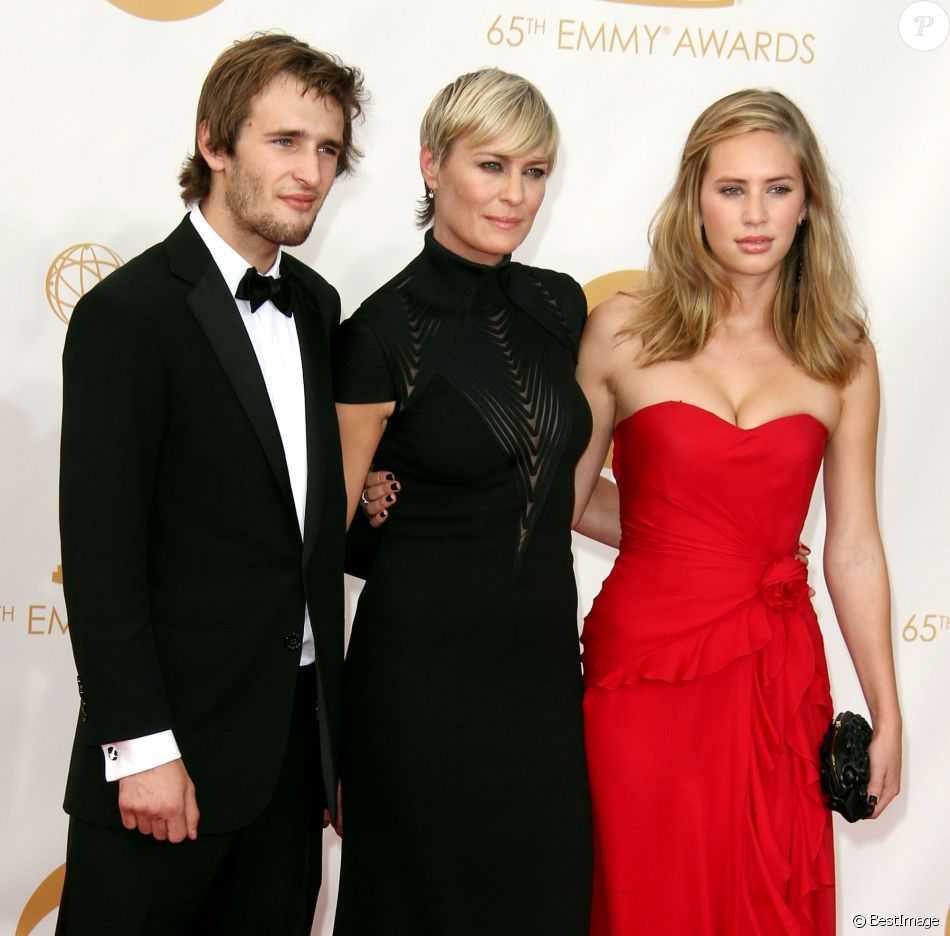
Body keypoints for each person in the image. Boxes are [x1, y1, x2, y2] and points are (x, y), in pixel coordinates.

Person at [56, 34, 365, 935]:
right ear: (214, 144)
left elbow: (294, 526)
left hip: (286, 772)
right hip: (166, 769)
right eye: (286, 141)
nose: (311, 171)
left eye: (329, 150)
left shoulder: (316, 305)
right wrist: (142, 749)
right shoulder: (128, 316)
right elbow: (102, 556)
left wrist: (329, 746)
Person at [573, 89, 902, 934]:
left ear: (808, 202)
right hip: (640, 671)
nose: (755, 215)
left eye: (778, 189)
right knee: (645, 900)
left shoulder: (842, 355)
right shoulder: (621, 330)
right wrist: (668, 537)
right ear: (694, 200)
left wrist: (887, 710)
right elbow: (562, 502)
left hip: (773, 678)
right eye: (731, 189)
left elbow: (855, 548)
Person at [332, 68, 593, 934]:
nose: (516, 194)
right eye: (492, 166)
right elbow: (317, 544)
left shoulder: (560, 304)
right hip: (418, 692)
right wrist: (318, 730)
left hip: (546, 683)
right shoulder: (377, 335)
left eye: (535, 171)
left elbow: (559, 481)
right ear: (431, 165)